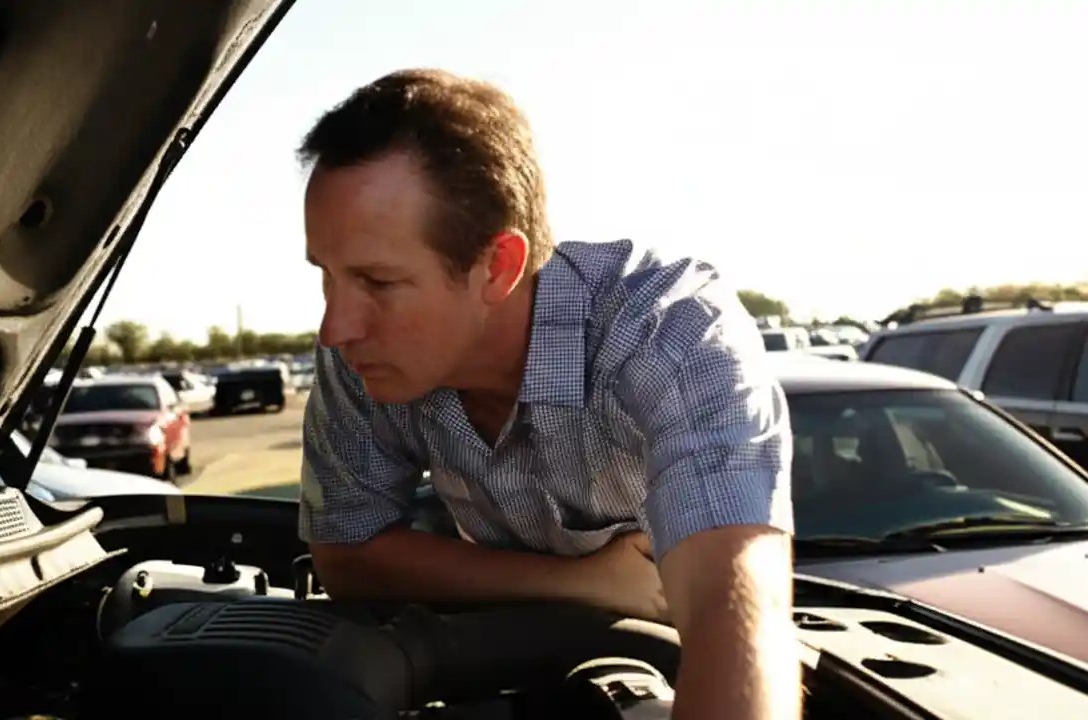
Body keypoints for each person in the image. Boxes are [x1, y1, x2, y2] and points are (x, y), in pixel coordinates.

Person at [295, 68, 799, 720]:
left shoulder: (667, 332)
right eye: (328, 278)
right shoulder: (365, 355)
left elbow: (732, 615)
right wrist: (584, 584)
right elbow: (346, 553)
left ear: (498, 266)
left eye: (378, 281)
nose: (337, 327)